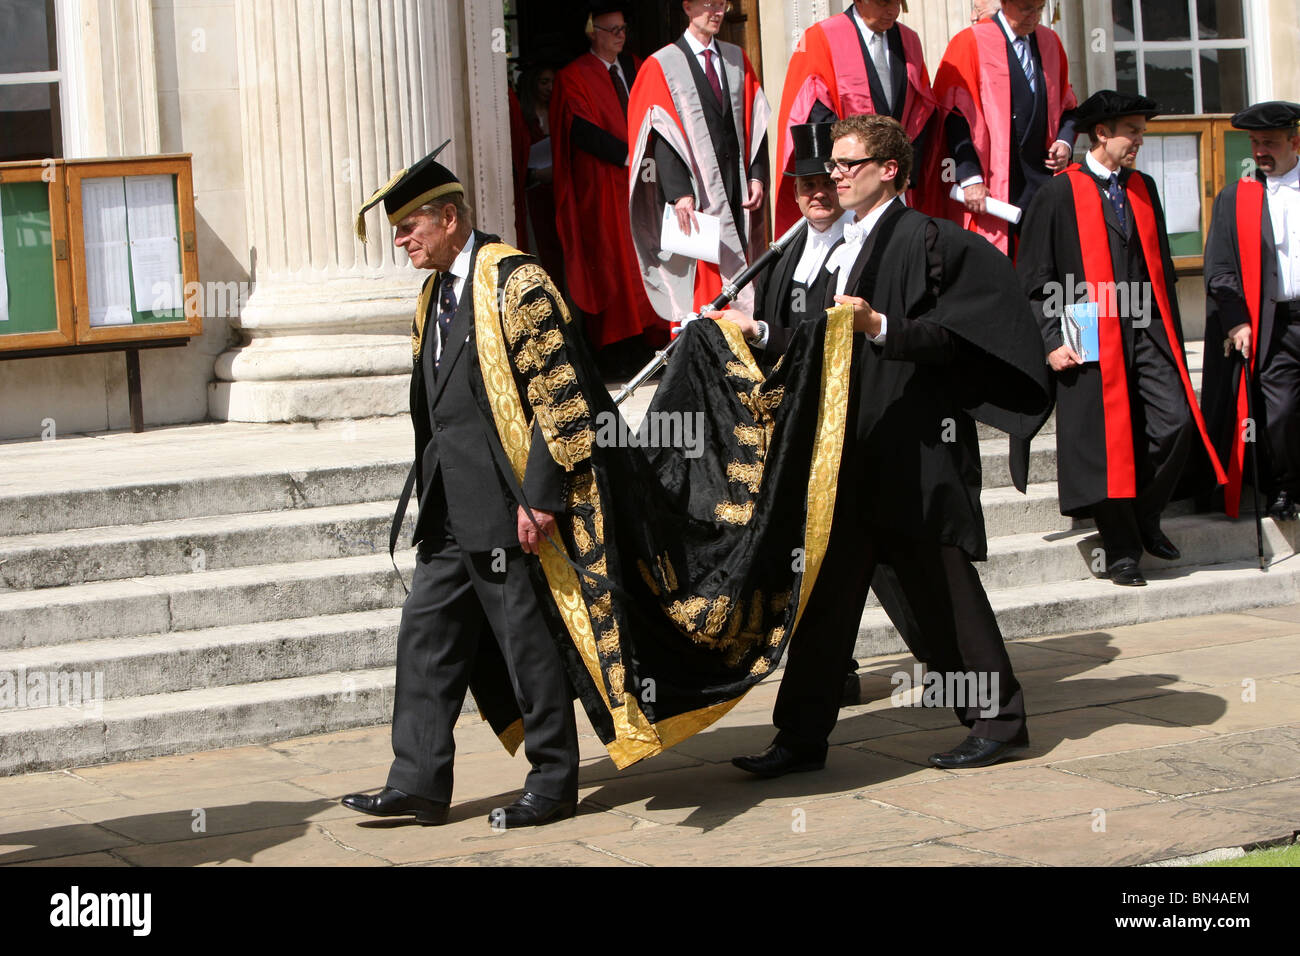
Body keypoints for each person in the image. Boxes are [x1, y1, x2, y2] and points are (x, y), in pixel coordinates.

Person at [714, 114, 1050, 774]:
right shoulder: (844, 247)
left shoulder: (927, 239)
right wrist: (754, 332)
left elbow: (957, 335)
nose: (832, 175)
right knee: (826, 599)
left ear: (887, 170)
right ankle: (801, 737)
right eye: (832, 166)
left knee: (943, 590)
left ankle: (1000, 720)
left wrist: (882, 325)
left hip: (912, 452)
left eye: (846, 164)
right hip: (847, 456)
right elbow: (814, 345)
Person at [343, 145, 581, 829]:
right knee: (425, 635)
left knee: (524, 644)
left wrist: (540, 497)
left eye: (410, 226)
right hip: (449, 503)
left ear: (449, 218)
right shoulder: (434, 292)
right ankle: (417, 779)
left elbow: (558, 396)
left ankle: (554, 781)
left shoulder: (514, 280)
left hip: (507, 506)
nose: (401, 240)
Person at [1017, 91, 1226, 587]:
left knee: (1174, 419)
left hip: (1146, 321)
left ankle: (1144, 515)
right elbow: (1034, 276)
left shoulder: (1143, 187)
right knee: (1103, 441)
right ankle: (1122, 548)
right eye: (1132, 130)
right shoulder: (1057, 193)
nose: (1140, 138)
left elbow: (1162, 267)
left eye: (1140, 130)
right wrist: (1051, 339)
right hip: (1086, 321)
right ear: (1102, 134)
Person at [627, 0, 770, 324]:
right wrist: (679, 192)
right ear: (687, 6)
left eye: (722, 4)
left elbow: (756, 120)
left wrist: (757, 176)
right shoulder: (661, 64)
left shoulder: (736, 58)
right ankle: (703, 354)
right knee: (701, 277)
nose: (718, 11)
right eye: (709, 4)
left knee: (740, 270)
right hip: (695, 194)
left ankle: (742, 350)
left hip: (736, 192)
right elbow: (659, 132)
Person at [551, 1, 664, 369]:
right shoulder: (574, 75)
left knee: (654, 255)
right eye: (612, 30)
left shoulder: (637, 66)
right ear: (592, 33)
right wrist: (627, 155)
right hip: (605, 187)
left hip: (647, 181)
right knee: (615, 264)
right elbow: (581, 130)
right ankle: (621, 352)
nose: (620, 36)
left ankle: (660, 340)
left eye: (622, 29)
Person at [1201, 101, 1300, 520]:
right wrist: (1237, 319)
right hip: (1274, 323)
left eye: (1270, 143)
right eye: (1255, 142)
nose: (1260, 150)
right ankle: (1287, 487)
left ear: (1295, 142)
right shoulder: (1236, 198)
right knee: (1279, 413)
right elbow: (1220, 268)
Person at [773, 0, 938, 231]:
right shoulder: (822, 38)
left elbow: (921, 111)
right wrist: (849, 168)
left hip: (895, 183)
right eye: (883, 3)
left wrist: (905, 170)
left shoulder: (909, 40)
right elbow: (816, 112)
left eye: (897, 3)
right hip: (846, 187)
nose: (892, 11)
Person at [933, 0, 1078, 255]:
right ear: (1005, 3)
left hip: (1043, 181)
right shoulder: (970, 42)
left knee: (1044, 271)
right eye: (1026, 8)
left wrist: (1065, 142)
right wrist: (970, 176)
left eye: (1040, 9)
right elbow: (954, 117)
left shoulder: (1050, 42)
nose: (1034, 17)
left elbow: (1068, 106)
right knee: (997, 270)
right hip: (993, 184)